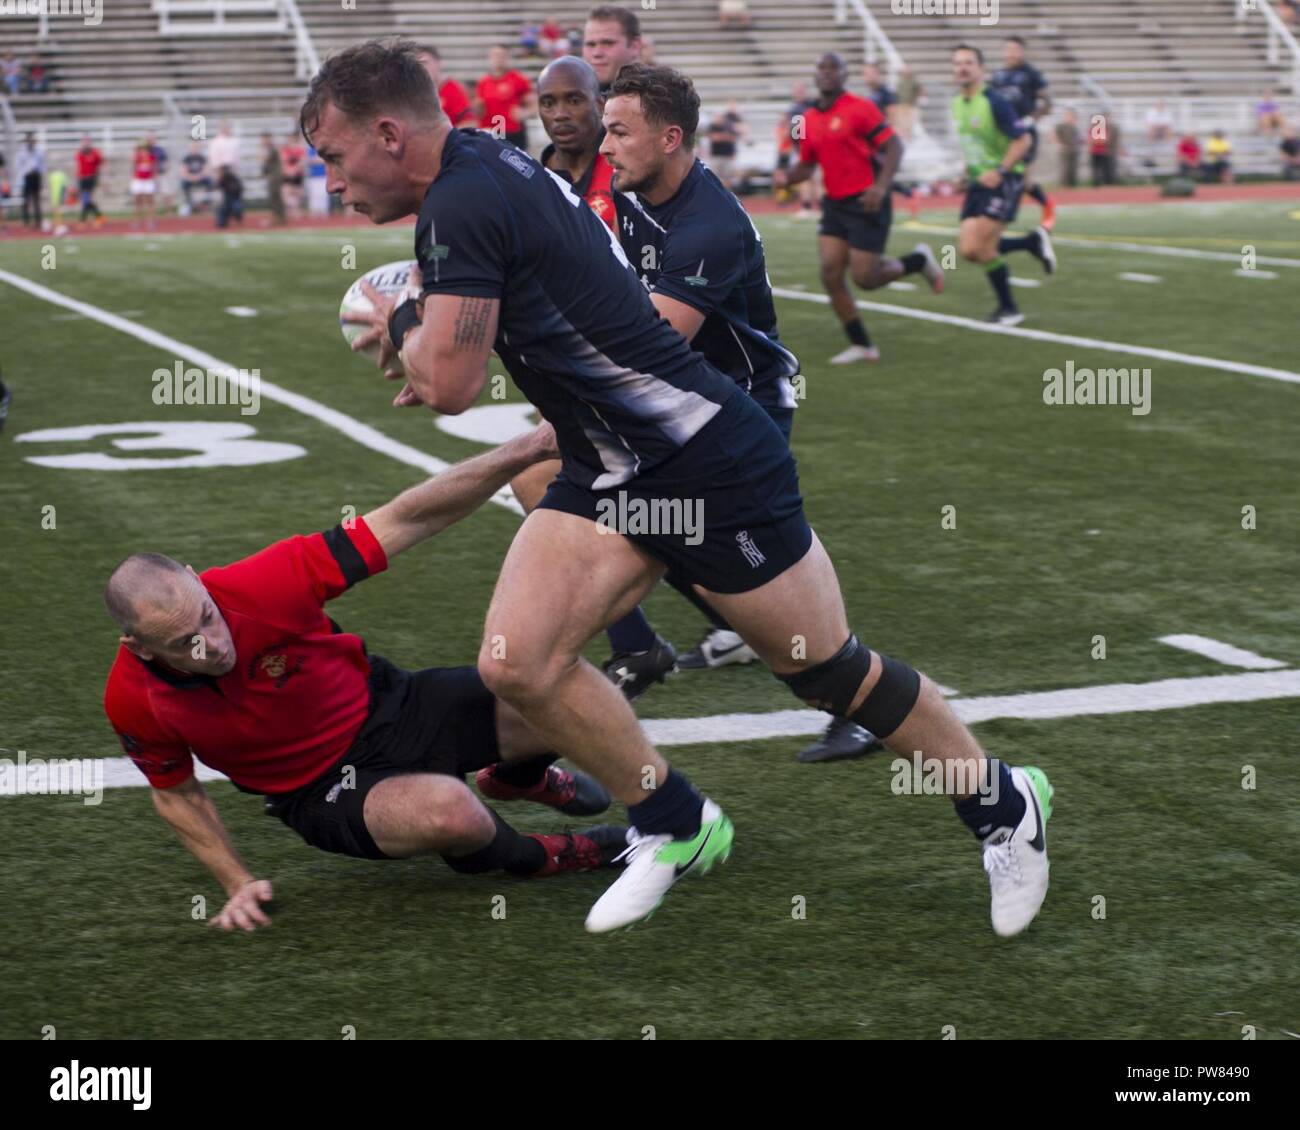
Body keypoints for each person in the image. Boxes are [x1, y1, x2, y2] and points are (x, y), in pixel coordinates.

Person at [306, 39, 1055, 938]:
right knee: (519, 661)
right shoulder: (478, 164)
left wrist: (406, 318)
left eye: (334, 157)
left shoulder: (462, 198)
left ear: (389, 133)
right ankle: (675, 821)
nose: (333, 183)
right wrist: (431, 318)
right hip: (608, 462)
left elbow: (451, 388)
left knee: (825, 669)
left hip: (706, 458)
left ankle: (1001, 804)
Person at [103, 424, 626, 933]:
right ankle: (533, 857)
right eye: (183, 643)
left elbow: (410, 517)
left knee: (563, 694)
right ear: (139, 647)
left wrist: (529, 446)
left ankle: (517, 778)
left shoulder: (262, 582)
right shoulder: (132, 699)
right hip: (319, 790)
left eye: (207, 618)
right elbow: (177, 794)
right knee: (454, 814)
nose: (213, 645)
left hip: (393, 705)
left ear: (199, 579)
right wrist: (236, 881)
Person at [773, 53, 945, 364]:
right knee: (830, 273)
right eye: (821, 68)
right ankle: (863, 345)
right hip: (835, 205)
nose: (826, 74)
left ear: (843, 75)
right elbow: (807, 165)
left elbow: (895, 146)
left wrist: (880, 187)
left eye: (832, 69)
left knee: (866, 278)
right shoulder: (807, 118)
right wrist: (786, 177)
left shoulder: (860, 108)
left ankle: (918, 261)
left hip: (867, 201)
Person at [951, 44, 1056, 326]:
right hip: (977, 183)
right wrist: (965, 174)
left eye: (968, 62)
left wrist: (1000, 170)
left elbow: (1023, 140)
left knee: (985, 247)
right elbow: (972, 145)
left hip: (1004, 181)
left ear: (980, 69)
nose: (962, 67)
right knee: (969, 250)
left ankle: (1009, 309)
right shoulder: (957, 104)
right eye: (957, 63)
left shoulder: (994, 102)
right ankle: (1031, 242)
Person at [990, 34, 1056, 229]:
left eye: (1015, 49)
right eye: (1008, 49)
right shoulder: (998, 76)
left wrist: (1031, 120)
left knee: (1021, 178)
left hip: (1024, 135)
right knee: (1012, 178)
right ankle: (1004, 214)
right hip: (1003, 135)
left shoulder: (1031, 74)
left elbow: (1048, 103)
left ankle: (1011, 217)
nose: (1011, 53)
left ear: (1022, 52)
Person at [476, 44, 535, 150]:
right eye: (495, 55)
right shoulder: (483, 82)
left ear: (507, 58)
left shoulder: (518, 79)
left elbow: (534, 104)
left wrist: (524, 113)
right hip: (491, 133)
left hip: (512, 133)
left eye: (501, 55)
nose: (498, 59)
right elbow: (480, 108)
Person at [582, 4, 642, 91]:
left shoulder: (660, 98)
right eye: (590, 44)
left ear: (634, 46)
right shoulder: (571, 95)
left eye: (607, 43)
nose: (596, 53)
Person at [413, 44, 473, 127]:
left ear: (438, 63)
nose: (422, 68)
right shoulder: (415, 92)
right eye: (419, 65)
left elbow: (469, 122)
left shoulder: (452, 89)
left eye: (425, 63)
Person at [705, 101, 745, 190]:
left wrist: (723, 137)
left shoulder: (728, 126)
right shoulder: (713, 126)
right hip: (716, 155)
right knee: (714, 177)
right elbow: (714, 137)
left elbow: (735, 137)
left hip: (727, 155)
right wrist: (726, 137)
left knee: (727, 177)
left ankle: (726, 194)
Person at [16, 133, 44, 230]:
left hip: (36, 177)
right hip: (26, 178)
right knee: (26, 201)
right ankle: (26, 222)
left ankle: (38, 222)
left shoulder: (38, 152)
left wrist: (40, 176)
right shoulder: (22, 153)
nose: (31, 143)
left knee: (37, 201)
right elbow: (19, 166)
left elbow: (41, 166)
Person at [129, 140, 159, 229]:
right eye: (142, 148)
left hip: (148, 180)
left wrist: (155, 180)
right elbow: (132, 162)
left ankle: (151, 221)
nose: (143, 150)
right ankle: (137, 221)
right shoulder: (137, 157)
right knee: (137, 202)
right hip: (138, 180)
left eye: (145, 148)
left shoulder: (152, 157)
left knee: (150, 201)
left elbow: (154, 168)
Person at [179, 141, 213, 214]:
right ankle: (189, 203)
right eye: (193, 147)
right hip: (190, 179)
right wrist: (191, 177)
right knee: (183, 183)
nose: (194, 149)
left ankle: (206, 203)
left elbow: (206, 170)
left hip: (201, 178)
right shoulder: (187, 158)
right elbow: (183, 172)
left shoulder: (202, 157)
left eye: (196, 147)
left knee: (210, 181)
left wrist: (198, 176)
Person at [892, 64, 922, 140]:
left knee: (909, 123)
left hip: (910, 105)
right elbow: (896, 93)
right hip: (901, 105)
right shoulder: (900, 81)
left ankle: (909, 137)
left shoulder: (914, 81)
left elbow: (919, 91)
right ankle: (904, 138)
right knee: (902, 123)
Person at [280, 133, 306, 214]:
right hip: (287, 174)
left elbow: (302, 161)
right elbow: (283, 161)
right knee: (286, 192)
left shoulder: (300, 149)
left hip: (297, 174)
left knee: (297, 193)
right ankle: (288, 210)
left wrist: (295, 170)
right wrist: (288, 171)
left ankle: (296, 210)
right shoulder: (285, 149)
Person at [262, 134, 285, 225]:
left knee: (275, 197)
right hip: (273, 176)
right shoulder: (270, 149)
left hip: (275, 177)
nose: (262, 141)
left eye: (264, 139)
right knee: (275, 197)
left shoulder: (272, 149)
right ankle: (280, 217)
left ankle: (278, 218)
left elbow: (266, 159)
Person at [1054, 108, 1080, 186]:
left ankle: (1072, 185)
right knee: (1065, 168)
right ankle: (1065, 185)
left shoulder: (1074, 127)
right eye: (1068, 116)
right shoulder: (1061, 126)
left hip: (1074, 149)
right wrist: (1059, 144)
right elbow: (1054, 135)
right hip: (1065, 150)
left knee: (1073, 168)